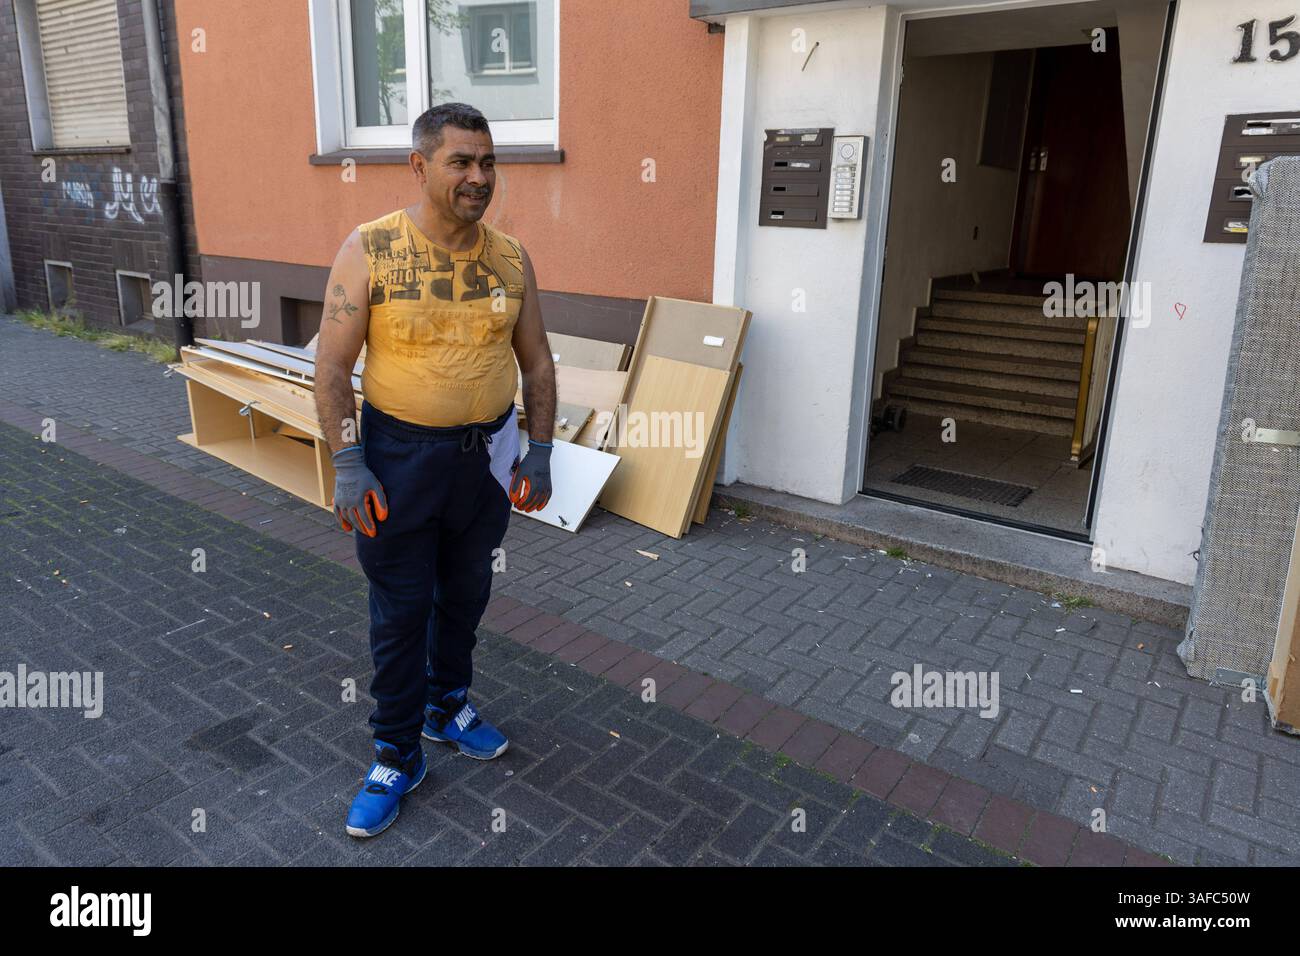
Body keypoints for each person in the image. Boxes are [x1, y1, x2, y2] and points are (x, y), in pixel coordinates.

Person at [314, 102, 556, 838]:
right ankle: (395, 752)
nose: (479, 177)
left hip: (483, 462)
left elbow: (537, 361)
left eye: (487, 161)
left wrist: (539, 450)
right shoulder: (372, 249)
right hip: (398, 461)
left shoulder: (510, 258)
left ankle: (447, 704)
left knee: (467, 594)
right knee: (400, 608)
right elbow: (330, 364)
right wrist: (349, 459)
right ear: (420, 166)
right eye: (461, 161)